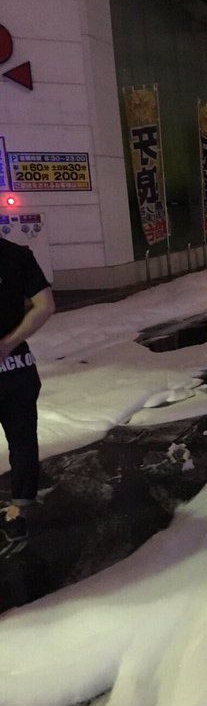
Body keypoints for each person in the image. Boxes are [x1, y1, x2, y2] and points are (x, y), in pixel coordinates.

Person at [0, 237, 54, 556]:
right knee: (22, 442)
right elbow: (45, 305)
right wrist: (8, 344)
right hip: (18, 368)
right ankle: (19, 514)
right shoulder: (17, 255)